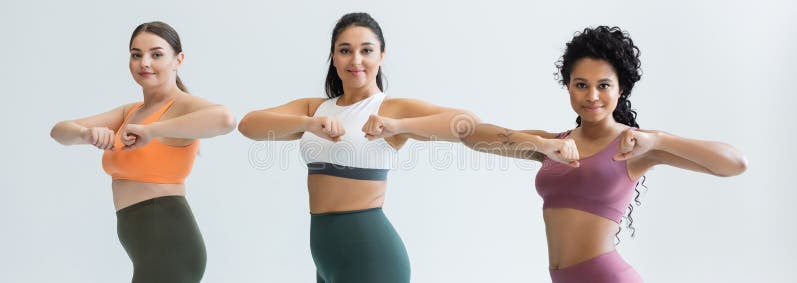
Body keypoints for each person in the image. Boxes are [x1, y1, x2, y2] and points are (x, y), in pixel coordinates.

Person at [459, 26, 747, 283]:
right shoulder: (554, 144)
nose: (592, 96)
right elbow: (471, 135)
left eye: (604, 85)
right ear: (568, 87)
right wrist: (539, 143)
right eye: (581, 84)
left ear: (621, 89)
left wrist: (659, 140)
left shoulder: (635, 146)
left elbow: (734, 164)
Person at [238, 12, 479, 283]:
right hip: (325, 255)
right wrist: (309, 123)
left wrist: (398, 126)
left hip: (371, 254)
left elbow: (465, 122)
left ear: (381, 55)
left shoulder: (388, 108)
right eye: (345, 50)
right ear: (333, 57)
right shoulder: (316, 108)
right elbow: (248, 125)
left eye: (366, 50)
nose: (356, 60)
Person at [49, 21, 236, 283]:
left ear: (177, 60)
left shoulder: (182, 105)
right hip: (146, 244)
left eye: (156, 54)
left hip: (170, 243)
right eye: (136, 54)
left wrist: (152, 131)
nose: (144, 63)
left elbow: (226, 119)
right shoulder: (131, 111)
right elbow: (59, 131)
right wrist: (86, 134)